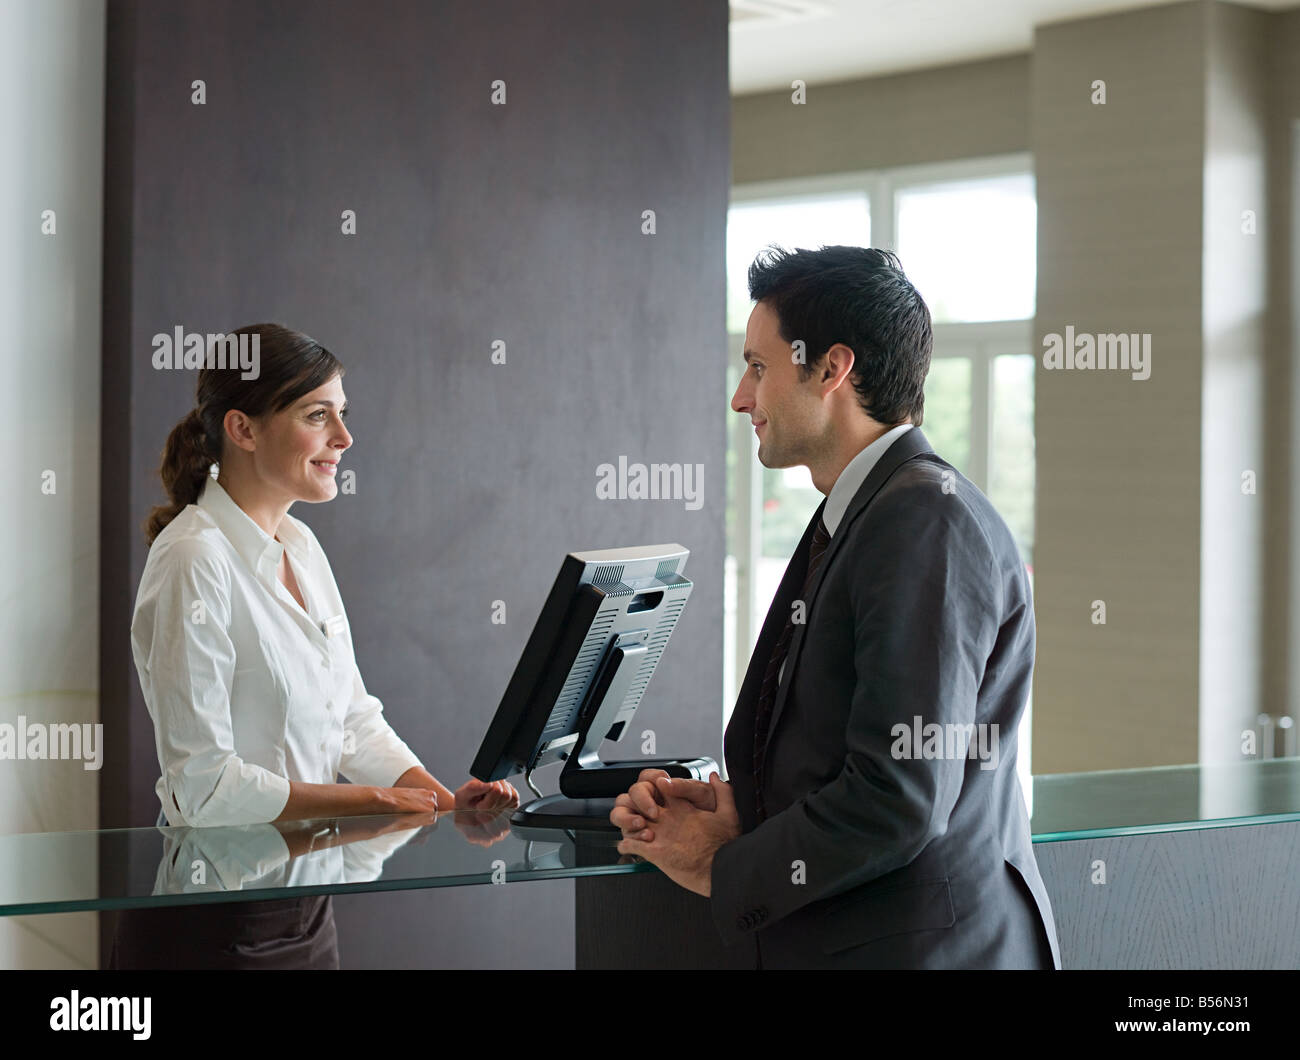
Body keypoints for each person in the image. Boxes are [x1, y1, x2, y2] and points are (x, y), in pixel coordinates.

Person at [611, 246, 1060, 970]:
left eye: (758, 367)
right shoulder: (869, 512)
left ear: (831, 369)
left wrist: (724, 868)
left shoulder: (923, 523)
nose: (740, 396)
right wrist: (749, 820)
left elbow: (898, 795)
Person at [113, 323, 516, 968]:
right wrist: (373, 802)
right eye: (316, 415)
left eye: (342, 414)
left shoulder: (301, 547)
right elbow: (205, 788)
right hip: (215, 922)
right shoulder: (192, 560)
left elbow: (351, 718)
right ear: (243, 430)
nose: (344, 439)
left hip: (308, 906)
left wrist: (442, 802)